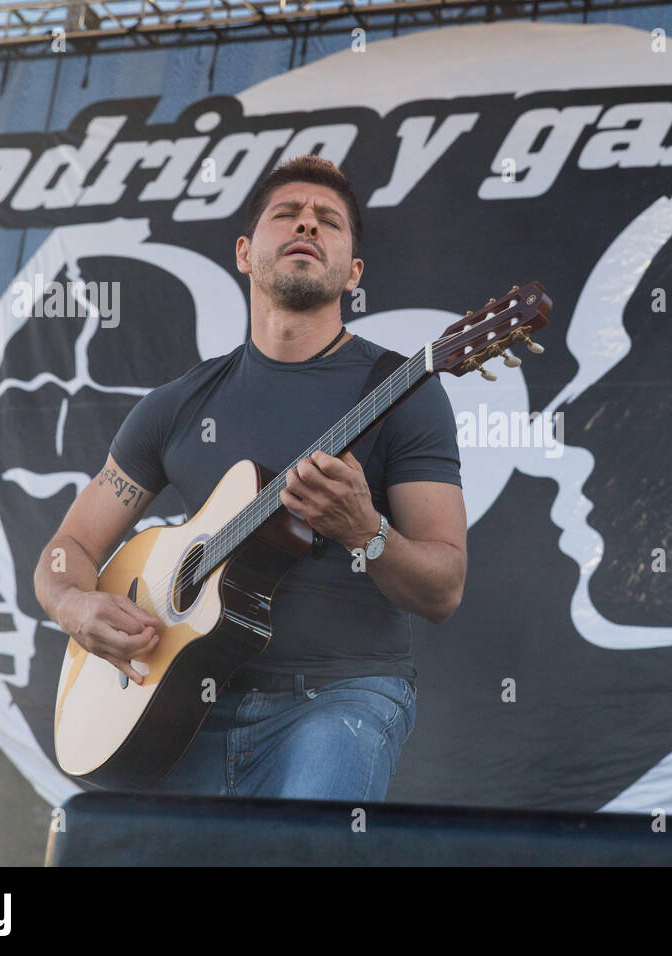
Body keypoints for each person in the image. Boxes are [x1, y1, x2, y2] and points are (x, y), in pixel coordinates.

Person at [33, 154, 467, 801]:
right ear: (243, 252)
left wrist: (367, 531)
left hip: (340, 698)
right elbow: (68, 550)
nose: (308, 225)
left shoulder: (405, 392)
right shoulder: (175, 405)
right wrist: (74, 605)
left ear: (354, 271)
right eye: (286, 214)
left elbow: (444, 588)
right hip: (180, 707)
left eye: (329, 221)